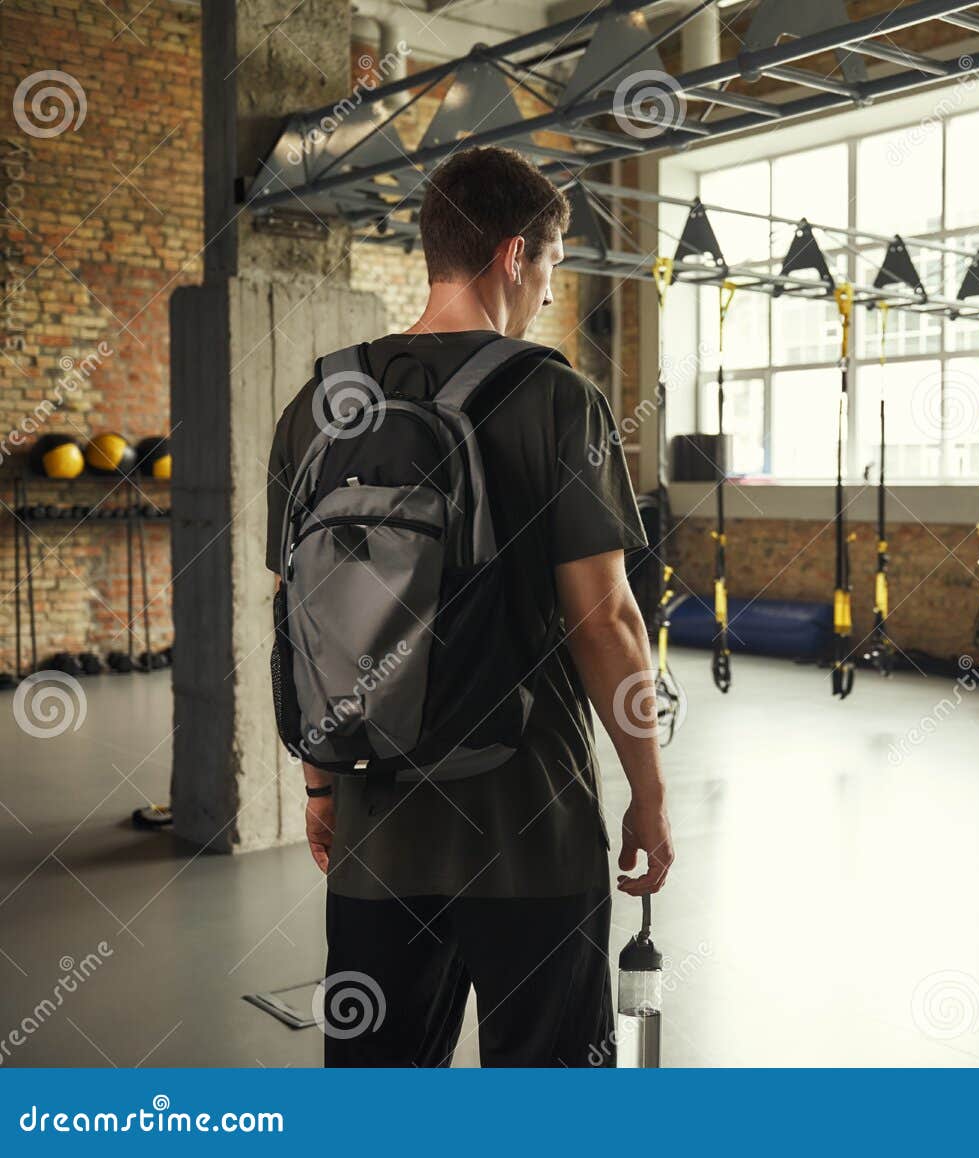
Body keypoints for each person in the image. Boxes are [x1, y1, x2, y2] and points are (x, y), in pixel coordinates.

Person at [264, 146, 673, 1068]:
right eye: (552, 268)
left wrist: (322, 783)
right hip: (534, 832)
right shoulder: (556, 397)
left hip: (378, 829)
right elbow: (604, 620)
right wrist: (648, 793)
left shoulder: (322, 403)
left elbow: (300, 617)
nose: (546, 292)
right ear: (513, 254)